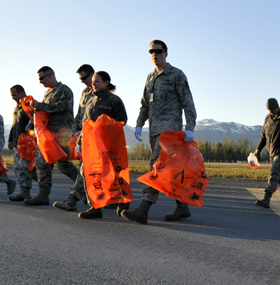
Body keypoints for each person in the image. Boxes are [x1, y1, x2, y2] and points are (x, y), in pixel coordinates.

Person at [123, 40, 198, 225]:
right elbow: (145, 104)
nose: (154, 54)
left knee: (156, 166)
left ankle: (144, 208)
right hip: (154, 131)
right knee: (170, 169)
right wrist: (140, 123)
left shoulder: (177, 75)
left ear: (166, 53)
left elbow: (188, 102)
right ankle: (182, 207)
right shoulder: (150, 78)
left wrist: (190, 128)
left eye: (158, 51)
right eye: (151, 51)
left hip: (170, 132)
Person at [74, 71, 129, 219]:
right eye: (92, 82)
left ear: (106, 82)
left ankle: (123, 201)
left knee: (116, 174)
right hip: (92, 146)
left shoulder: (114, 100)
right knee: (88, 173)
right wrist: (79, 142)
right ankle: (95, 206)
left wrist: (105, 124)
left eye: (96, 81)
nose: (93, 84)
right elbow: (85, 124)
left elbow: (122, 120)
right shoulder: (90, 101)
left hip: (110, 145)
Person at [23, 67, 81, 207]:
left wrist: (41, 105)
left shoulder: (64, 90)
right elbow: (44, 111)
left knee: (64, 164)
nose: (40, 82)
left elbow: (63, 106)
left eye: (41, 78)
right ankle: (43, 195)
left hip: (61, 134)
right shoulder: (47, 93)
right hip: (47, 134)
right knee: (42, 164)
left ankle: (83, 189)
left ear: (50, 76)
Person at [54, 64, 97, 211]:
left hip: (97, 136)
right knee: (86, 169)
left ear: (92, 75)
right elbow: (80, 115)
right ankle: (95, 198)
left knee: (86, 169)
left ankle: (72, 200)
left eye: (84, 77)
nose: (82, 81)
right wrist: (74, 134)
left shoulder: (102, 90)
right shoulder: (85, 92)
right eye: (80, 78)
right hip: (83, 135)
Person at [253, 98, 280, 208]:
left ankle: (267, 198)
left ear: (278, 107)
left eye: (272, 109)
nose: (271, 112)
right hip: (271, 152)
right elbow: (264, 135)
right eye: (269, 110)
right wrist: (258, 149)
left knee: (274, 173)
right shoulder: (268, 118)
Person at [7, 85, 37, 201]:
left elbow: (35, 123)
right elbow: (14, 125)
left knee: (26, 167)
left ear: (21, 93)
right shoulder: (17, 108)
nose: (12, 97)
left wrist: (30, 138)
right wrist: (10, 139)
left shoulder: (29, 105)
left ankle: (43, 186)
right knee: (18, 168)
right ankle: (24, 192)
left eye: (14, 95)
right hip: (16, 142)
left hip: (26, 143)